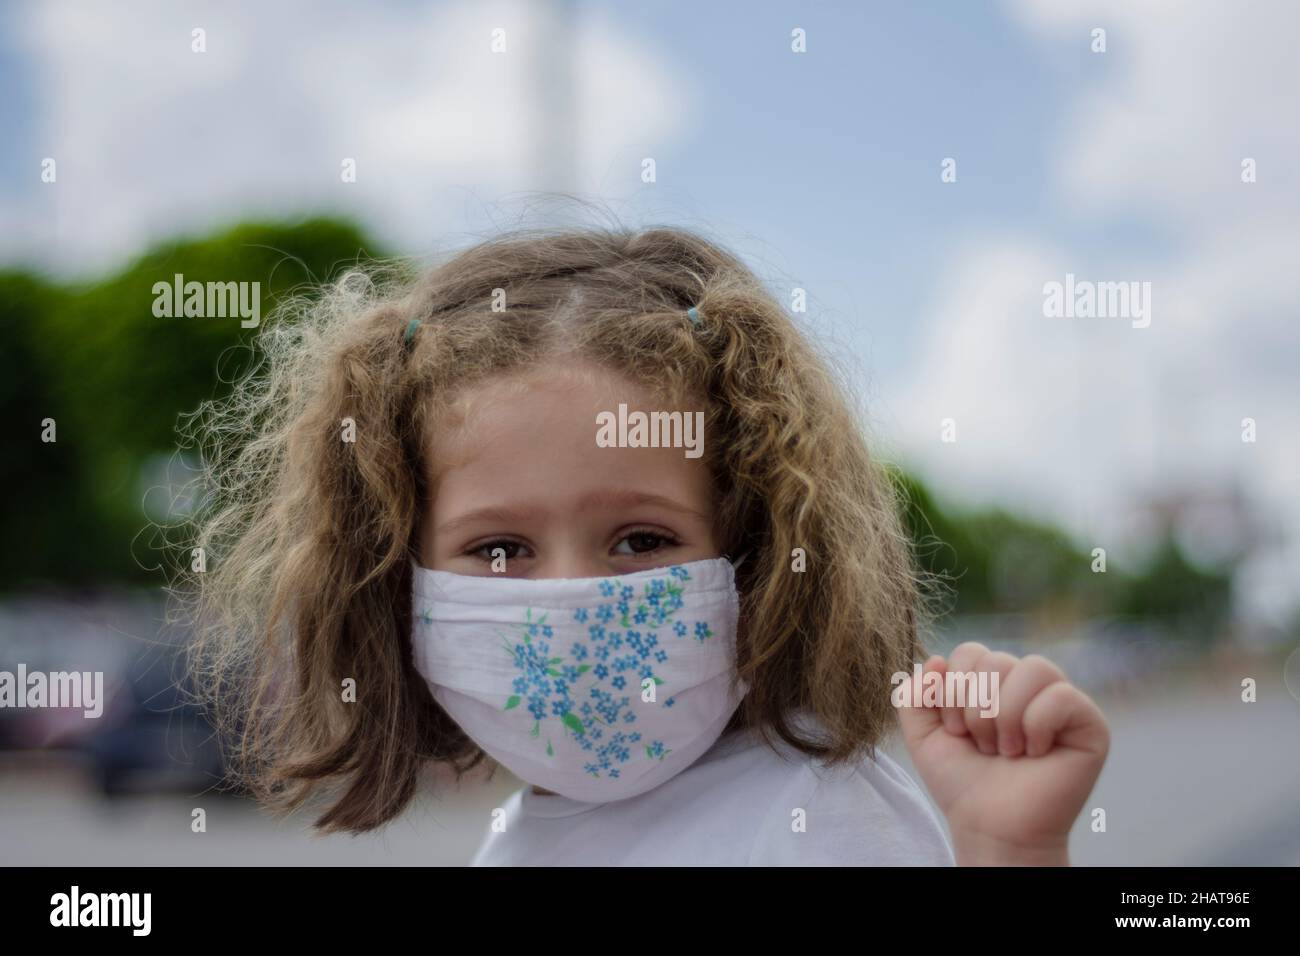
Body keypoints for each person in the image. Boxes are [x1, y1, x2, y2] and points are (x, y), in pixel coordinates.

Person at [183, 226, 1108, 865]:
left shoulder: (817, 820)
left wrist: (1008, 852)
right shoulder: (515, 842)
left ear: (752, 550)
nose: (573, 599)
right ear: (400, 579)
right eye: (500, 550)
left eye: (639, 538)